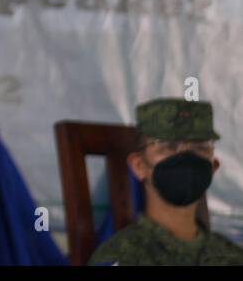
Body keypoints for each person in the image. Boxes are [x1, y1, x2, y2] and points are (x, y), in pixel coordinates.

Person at [89, 97, 243, 265]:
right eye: (168, 146)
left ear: (213, 167)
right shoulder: (121, 257)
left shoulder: (231, 256)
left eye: (200, 147)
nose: (185, 157)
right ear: (139, 166)